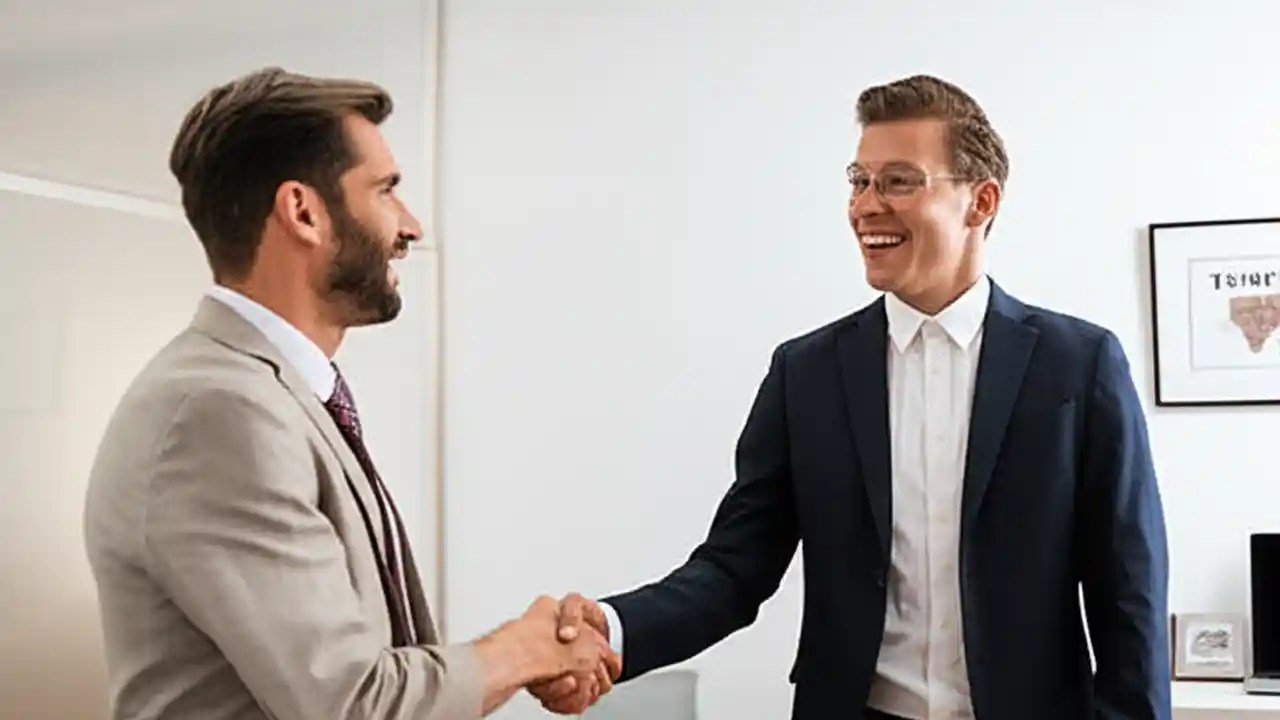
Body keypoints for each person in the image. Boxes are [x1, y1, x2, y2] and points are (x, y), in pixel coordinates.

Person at [531, 74, 1171, 719]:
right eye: (858, 181)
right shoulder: (804, 373)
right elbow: (733, 570)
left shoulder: (1080, 365)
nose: (866, 205)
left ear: (980, 202)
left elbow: (1130, 592)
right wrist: (609, 631)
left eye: (898, 180)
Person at [82, 67, 619, 720]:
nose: (411, 226)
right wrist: (525, 651)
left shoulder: (273, 393)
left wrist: (531, 657)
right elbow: (352, 704)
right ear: (303, 212)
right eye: (387, 191)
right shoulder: (220, 412)